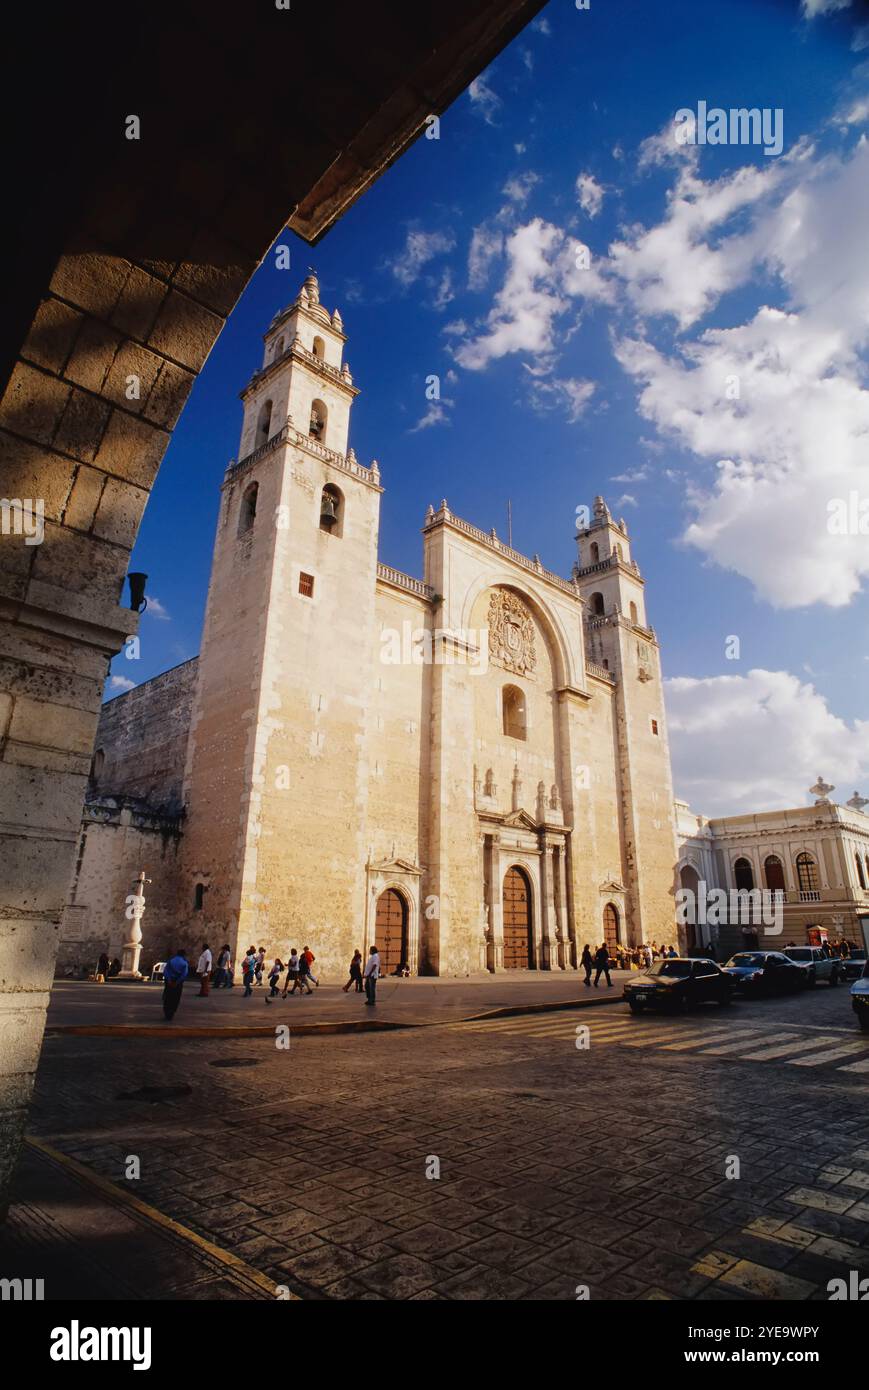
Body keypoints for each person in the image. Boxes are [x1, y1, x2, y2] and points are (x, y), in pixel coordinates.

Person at [162, 949, 188, 1020]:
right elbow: (184, 974)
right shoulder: (184, 963)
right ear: (183, 955)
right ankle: (172, 1012)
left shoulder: (171, 961)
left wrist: (169, 980)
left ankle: (166, 1012)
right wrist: (177, 982)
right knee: (175, 997)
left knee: (167, 996)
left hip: (169, 981)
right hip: (178, 983)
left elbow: (165, 971)